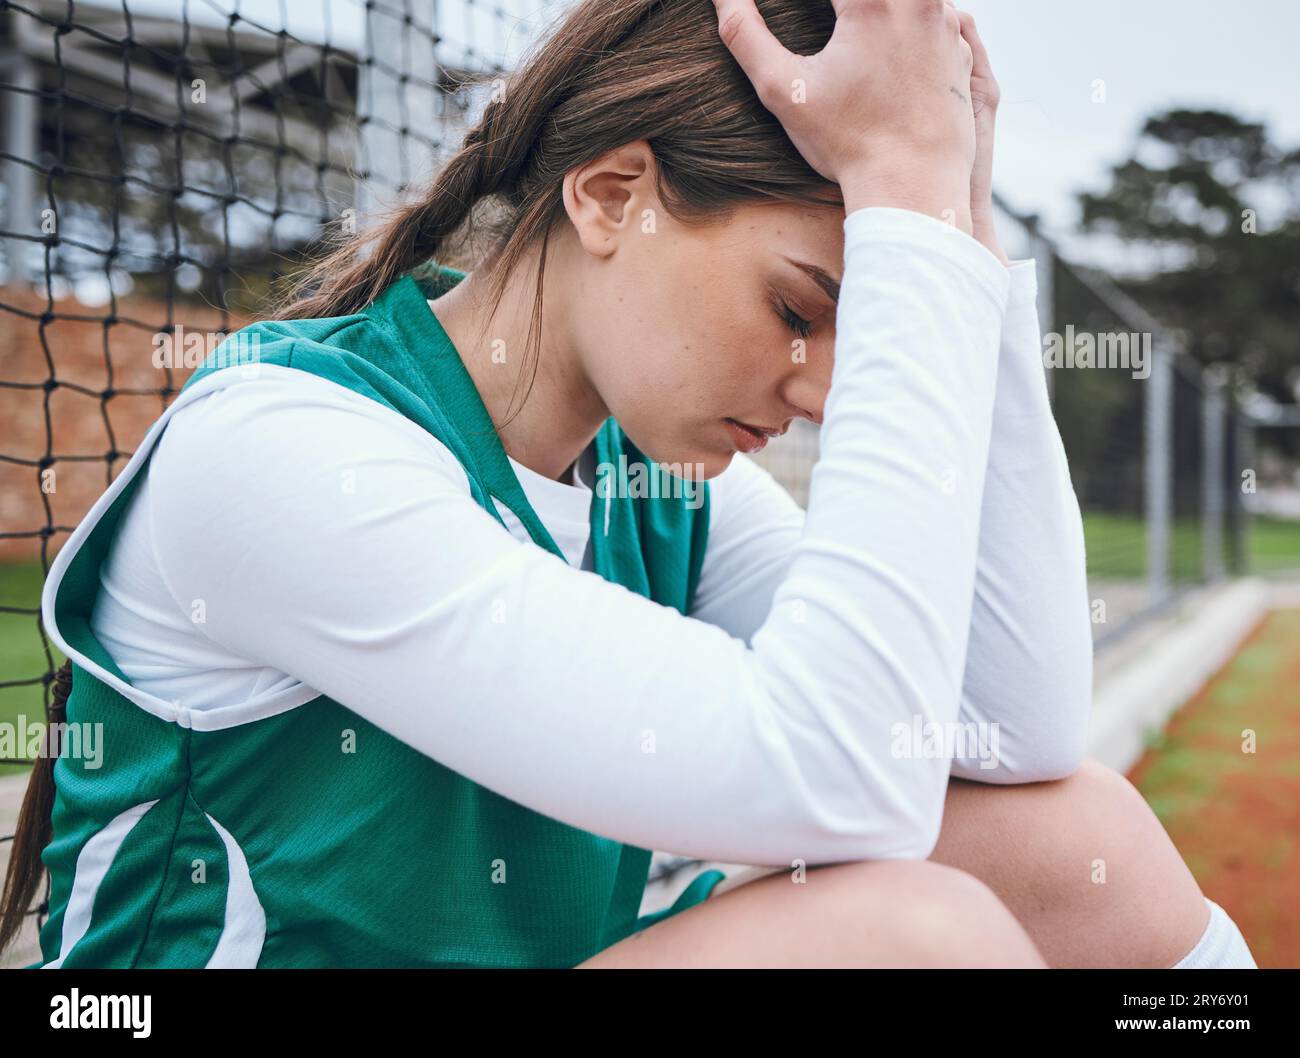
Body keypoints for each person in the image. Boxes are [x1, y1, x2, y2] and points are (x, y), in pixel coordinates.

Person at [1, 0, 1255, 969]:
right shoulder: (279, 452)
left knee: (1070, 837)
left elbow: (1009, 729)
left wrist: (954, 235)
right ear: (611, 196)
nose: (822, 389)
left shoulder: (657, 490)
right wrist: (906, 206)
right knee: (909, 937)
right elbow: (838, 767)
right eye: (799, 309)